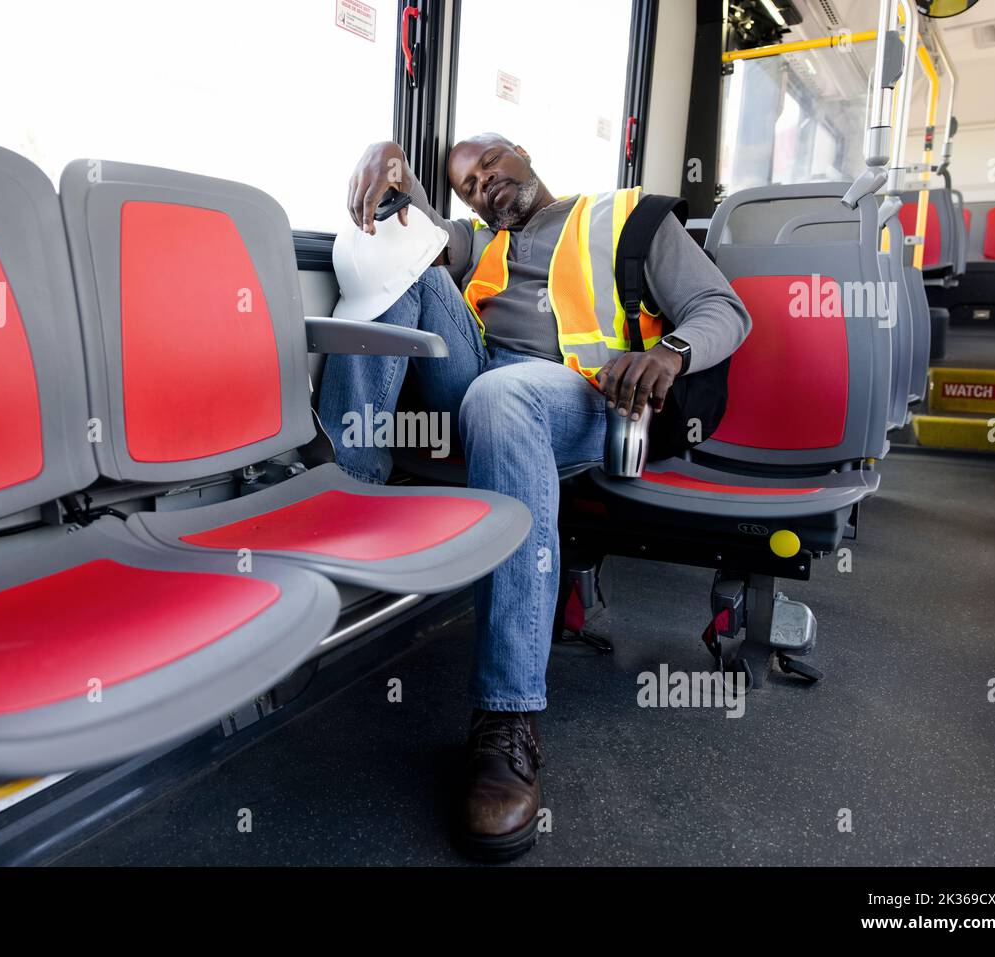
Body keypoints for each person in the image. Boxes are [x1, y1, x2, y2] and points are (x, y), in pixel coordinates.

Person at [319, 133, 752, 861]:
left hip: (586, 391)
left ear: (521, 152)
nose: (483, 183)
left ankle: (507, 717)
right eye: (466, 185)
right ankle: (343, 495)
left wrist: (668, 353)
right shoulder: (477, 241)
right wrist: (383, 152)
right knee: (406, 271)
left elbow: (723, 308)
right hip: (483, 382)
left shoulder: (626, 215)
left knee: (505, 393)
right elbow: (410, 220)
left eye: (490, 165)